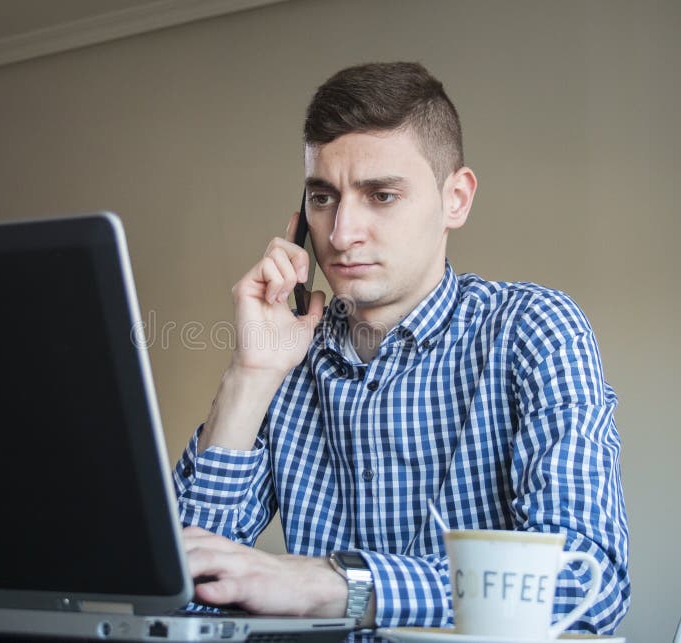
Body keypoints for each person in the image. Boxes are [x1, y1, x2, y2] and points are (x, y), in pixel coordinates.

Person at [173, 62, 630, 633]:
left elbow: (587, 583)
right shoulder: (288, 355)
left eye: (381, 195)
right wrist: (251, 374)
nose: (340, 234)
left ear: (456, 199)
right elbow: (174, 588)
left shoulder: (534, 329)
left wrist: (337, 585)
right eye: (323, 197)